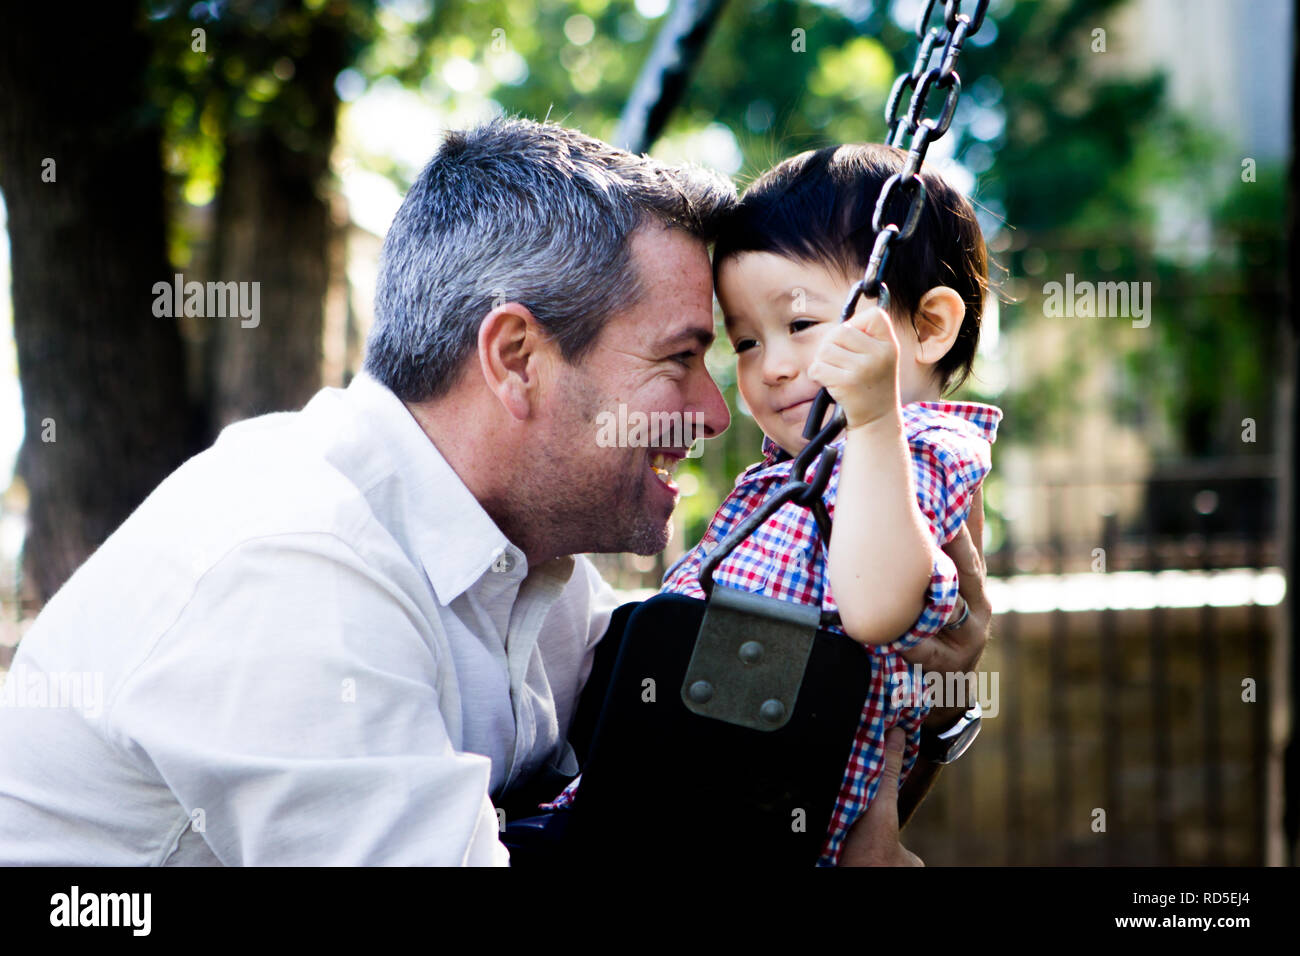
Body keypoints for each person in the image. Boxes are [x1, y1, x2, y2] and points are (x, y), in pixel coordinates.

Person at [0, 119, 988, 865]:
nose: (716, 409)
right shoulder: (293, 570)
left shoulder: (518, 563)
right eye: (691, 356)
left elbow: (746, 784)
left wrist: (930, 695)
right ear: (517, 356)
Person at [545, 143, 1000, 866]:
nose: (773, 367)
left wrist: (876, 421)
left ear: (930, 326)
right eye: (748, 342)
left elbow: (877, 608)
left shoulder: (919, 446)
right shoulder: (800, 467)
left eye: (802, 325)